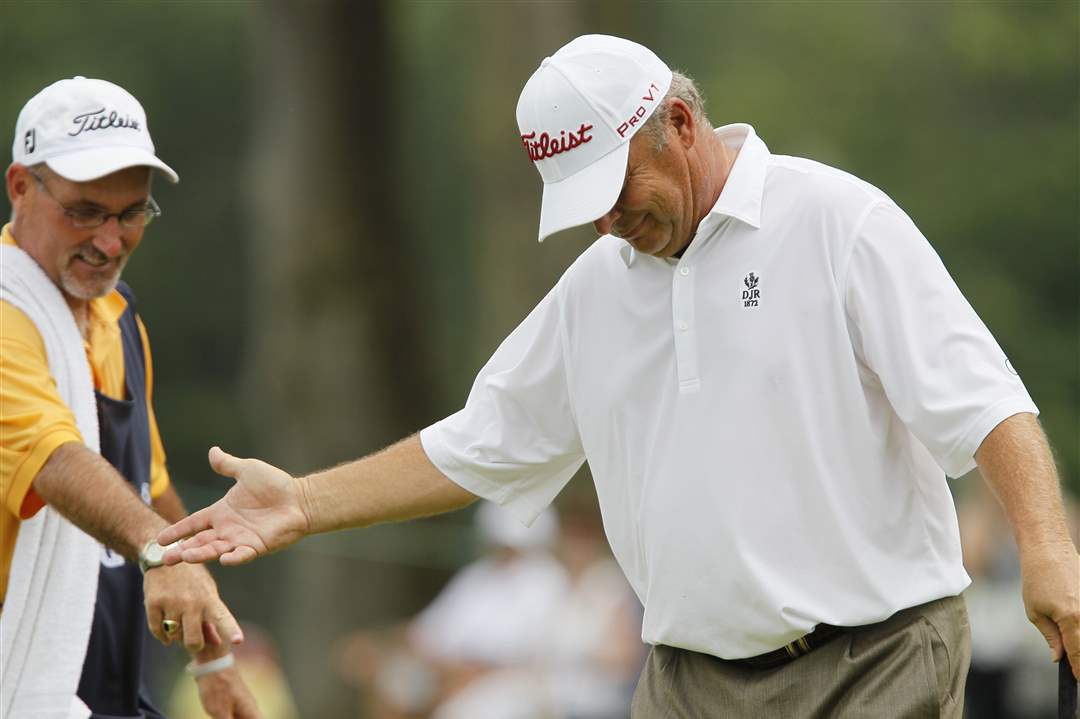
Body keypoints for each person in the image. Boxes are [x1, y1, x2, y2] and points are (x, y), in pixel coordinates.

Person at [158, 35, 1079, 717]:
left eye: (616, 190)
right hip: (687, 679)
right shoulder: (598, 285)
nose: (606, 224)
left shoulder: (839, 221)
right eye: (584, 205)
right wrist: (303, 501)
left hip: (875, 662)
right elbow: (479, 443)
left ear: (679, 123)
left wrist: (1048, 549)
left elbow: (984, 401)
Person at [0, 77, 259, 718]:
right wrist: (158, 552)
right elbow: (56, 460)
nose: (111, 241)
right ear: (21, 186)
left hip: (105, 685)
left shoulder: (118, 317)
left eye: (132, 213)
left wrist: (213, 656)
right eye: (85, 211)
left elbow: (146, 487)